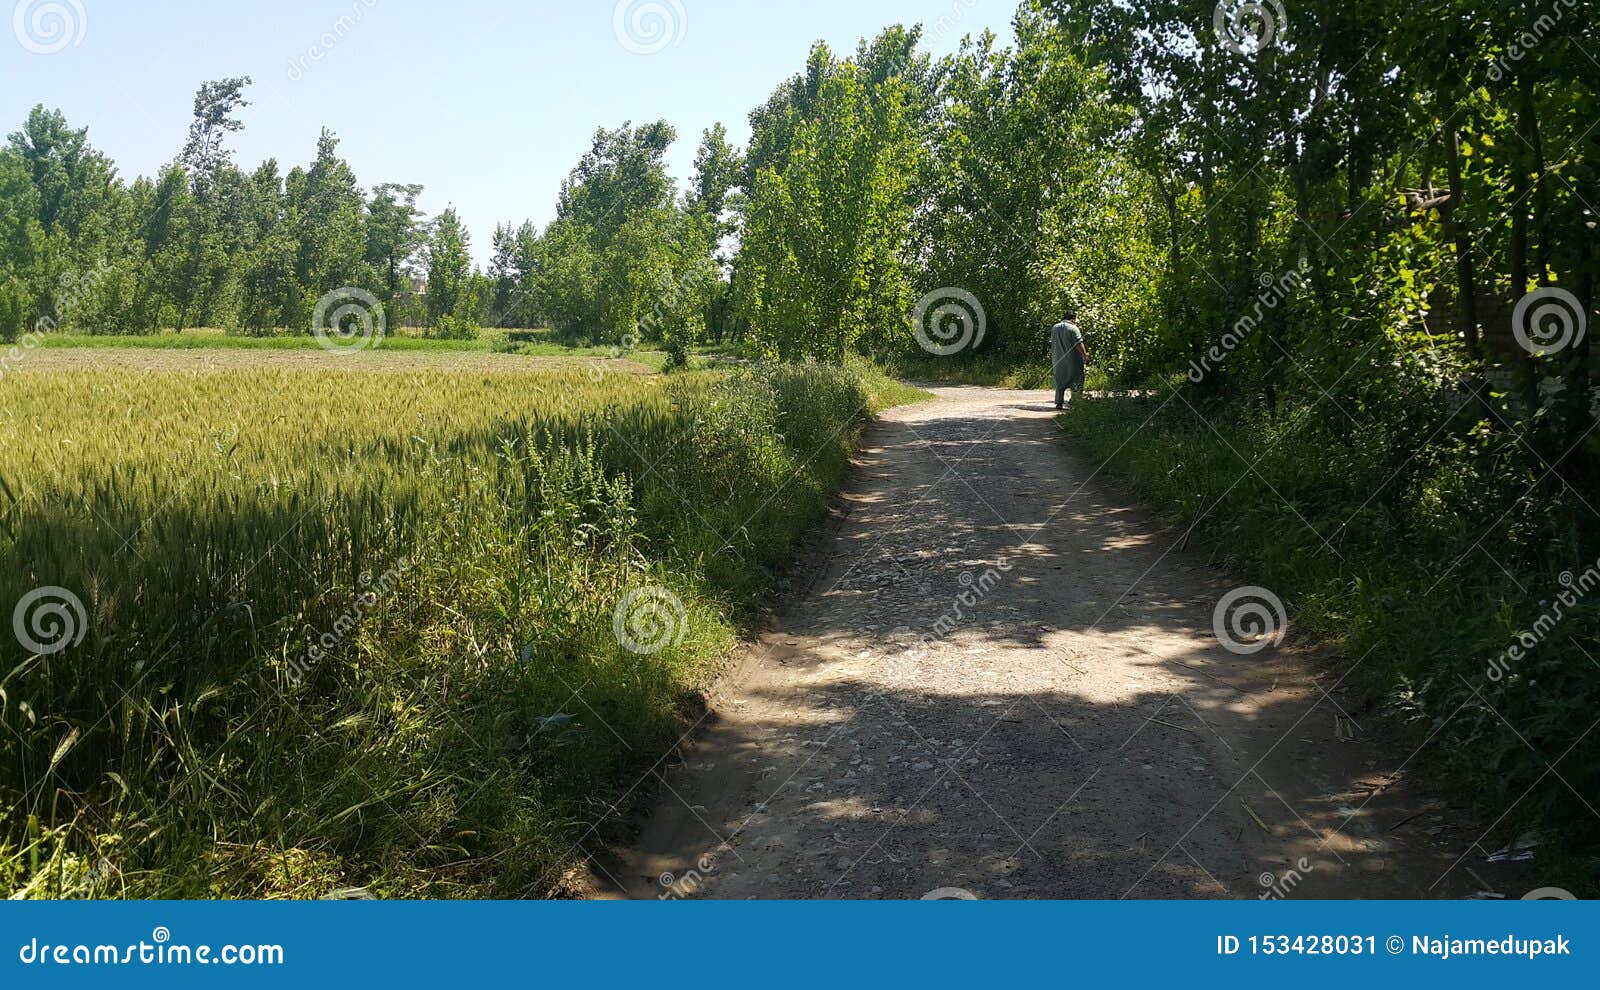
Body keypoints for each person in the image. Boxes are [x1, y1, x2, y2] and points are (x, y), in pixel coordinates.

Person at [1050, 310, 1090, 410]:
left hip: (1057, 359)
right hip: (1072, 360)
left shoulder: (1055, 327)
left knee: (1060, 382)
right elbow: (1079, 344)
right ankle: (1075, 401)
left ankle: (1059, 403)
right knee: (1077, 379)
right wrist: (1085, 355)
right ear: (1073, 318)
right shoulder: (1073, 328)